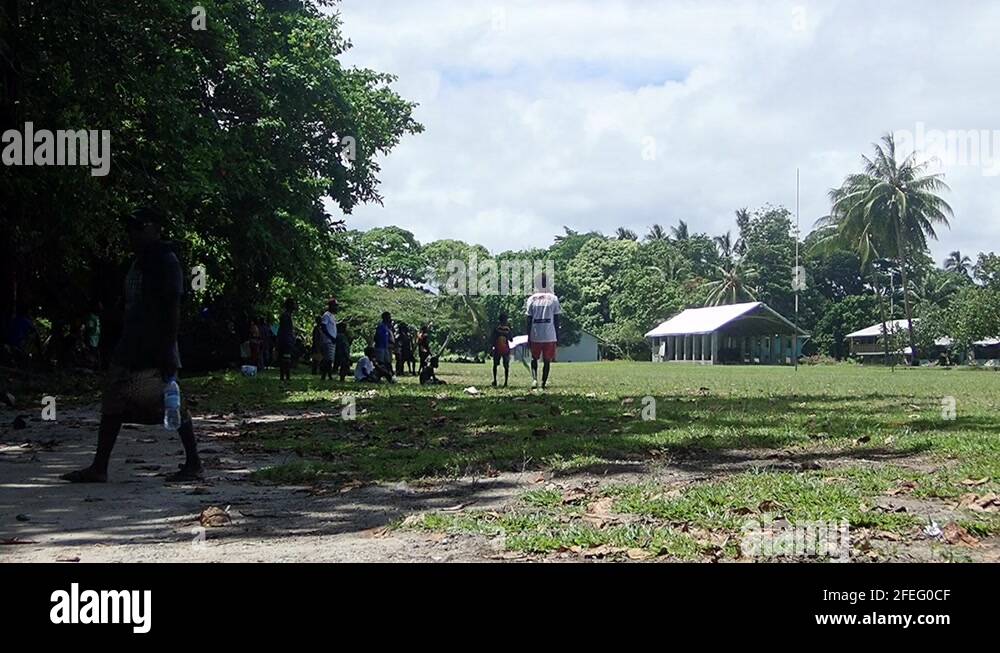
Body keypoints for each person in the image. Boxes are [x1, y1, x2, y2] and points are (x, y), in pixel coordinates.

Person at [61, 207, 201, 483]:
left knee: (168, 402)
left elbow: (172, 307)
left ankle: (193, 461)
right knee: (114, 400)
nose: (132, 233)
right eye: (131, 227)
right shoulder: (139, 261)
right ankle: (100, 466)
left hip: (153, 346)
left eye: (140, 226)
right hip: (132, 344)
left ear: (156, 229)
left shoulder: (165, 261)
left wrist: (168, 350)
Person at [525, 273, 561, 389]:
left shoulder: (531, 299)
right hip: (550, 335)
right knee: (547, 361)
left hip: (535, 334)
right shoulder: (554, 299)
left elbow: (528, 320)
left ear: (536, 284)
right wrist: (557, 336)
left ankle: (534, 380)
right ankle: (544, 383)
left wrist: (528, 336)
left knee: (534, 358)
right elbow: (556, 319)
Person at [491, 312, 513, 387]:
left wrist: (492, 347)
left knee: (495, 365)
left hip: (497, 348)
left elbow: (493, 338)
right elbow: (511, 339)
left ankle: (495, 380)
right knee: (506, 366)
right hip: (505, 349)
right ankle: (506, 382)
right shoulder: (508, 329)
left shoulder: (496, 328)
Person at [277, 298, 296, 382]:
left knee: (285, 359)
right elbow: (285, 329)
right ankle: (285, 376)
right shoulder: (286, 316)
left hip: (285, 339)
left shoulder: (286, 315)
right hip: (285, 340)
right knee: (285, 359)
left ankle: (285, 376)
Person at [319, 299, 338, 381]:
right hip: (328, 340)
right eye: (335, 306)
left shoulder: (332, 316)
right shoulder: (326, 315)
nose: (336, 307)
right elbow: (323, 327)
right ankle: (325, 375)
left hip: (332, 340)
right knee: (327, 359)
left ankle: (328, 375)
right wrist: (331, 337)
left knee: (330, 359)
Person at [373, 312, 394, 380]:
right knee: (380, 363)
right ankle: (378, 377)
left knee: (388, 363)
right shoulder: (380, 326)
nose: (389, 318)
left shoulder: (386, 327)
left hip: (386, 348)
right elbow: (376, 337)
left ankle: (389, 376)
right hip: (380, 348)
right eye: (388, 317)